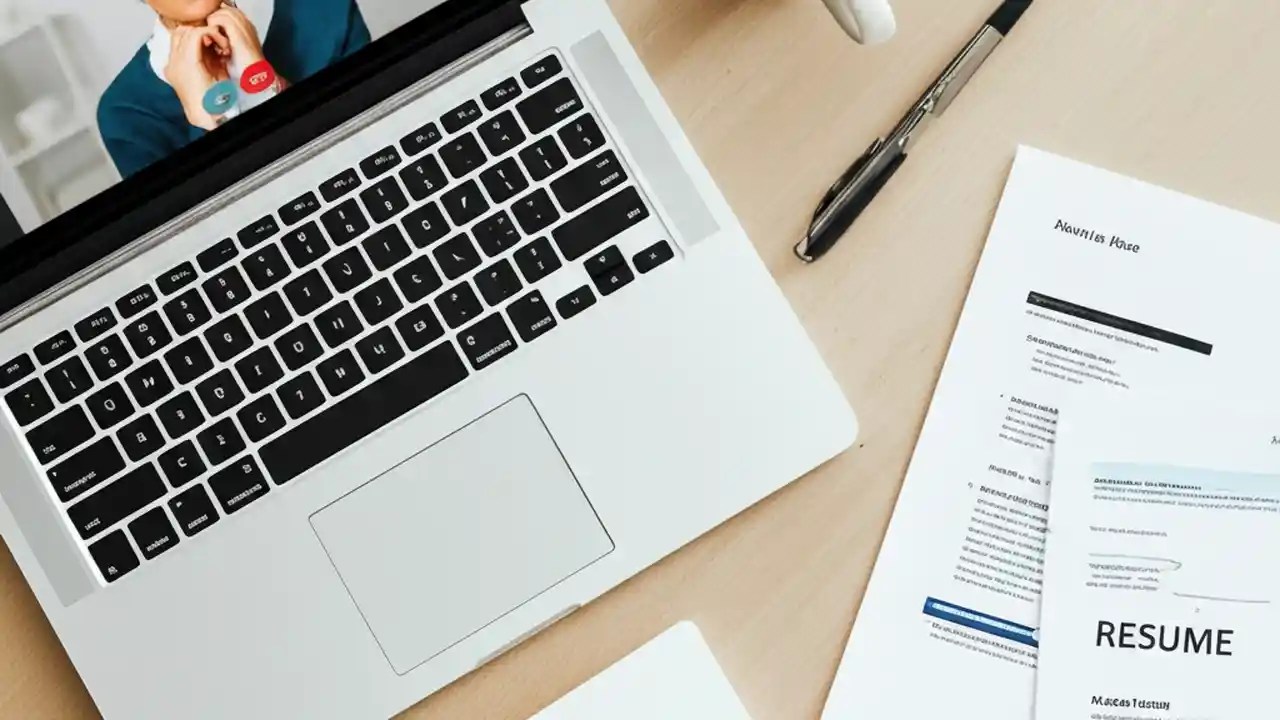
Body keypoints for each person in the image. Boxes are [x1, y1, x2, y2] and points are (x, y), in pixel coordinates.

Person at [98, 0, 371, 178]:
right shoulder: (125, 113)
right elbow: (202, 239)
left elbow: (371, 147)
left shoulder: (320, 9)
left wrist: (264, 84)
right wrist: (205, 115)